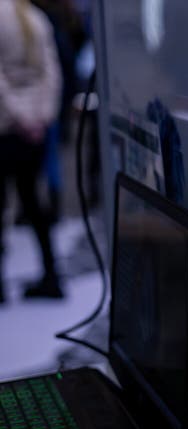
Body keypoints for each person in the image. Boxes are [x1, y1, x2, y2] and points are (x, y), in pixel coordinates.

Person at [0, 0, 63, 302]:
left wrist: (19, 117)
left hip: (7, 126)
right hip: (34, 130)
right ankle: (51, 275)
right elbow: (51, 76)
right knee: (34, 202)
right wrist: (39, 118)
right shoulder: (36, 18)